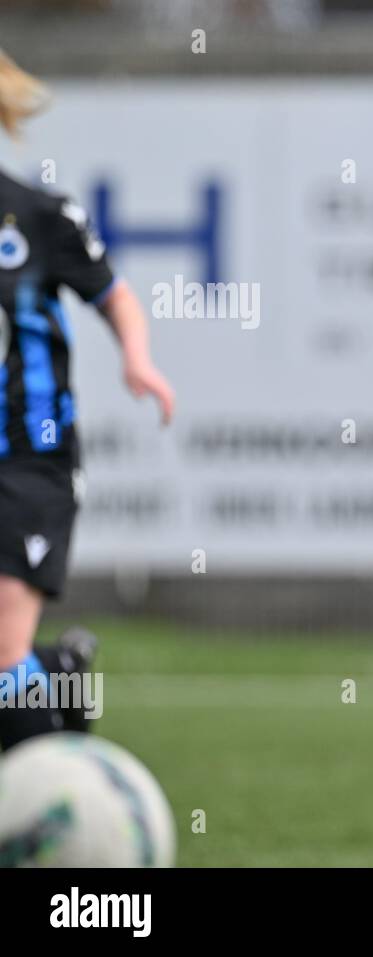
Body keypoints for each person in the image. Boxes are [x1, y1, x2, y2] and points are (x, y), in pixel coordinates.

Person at [0, 49, 175, 750]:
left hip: (27, 460)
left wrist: (138, 356)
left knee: (1, 656)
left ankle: (53, 817)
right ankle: (61, 671)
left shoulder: (35, 215)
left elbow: (114, 294)